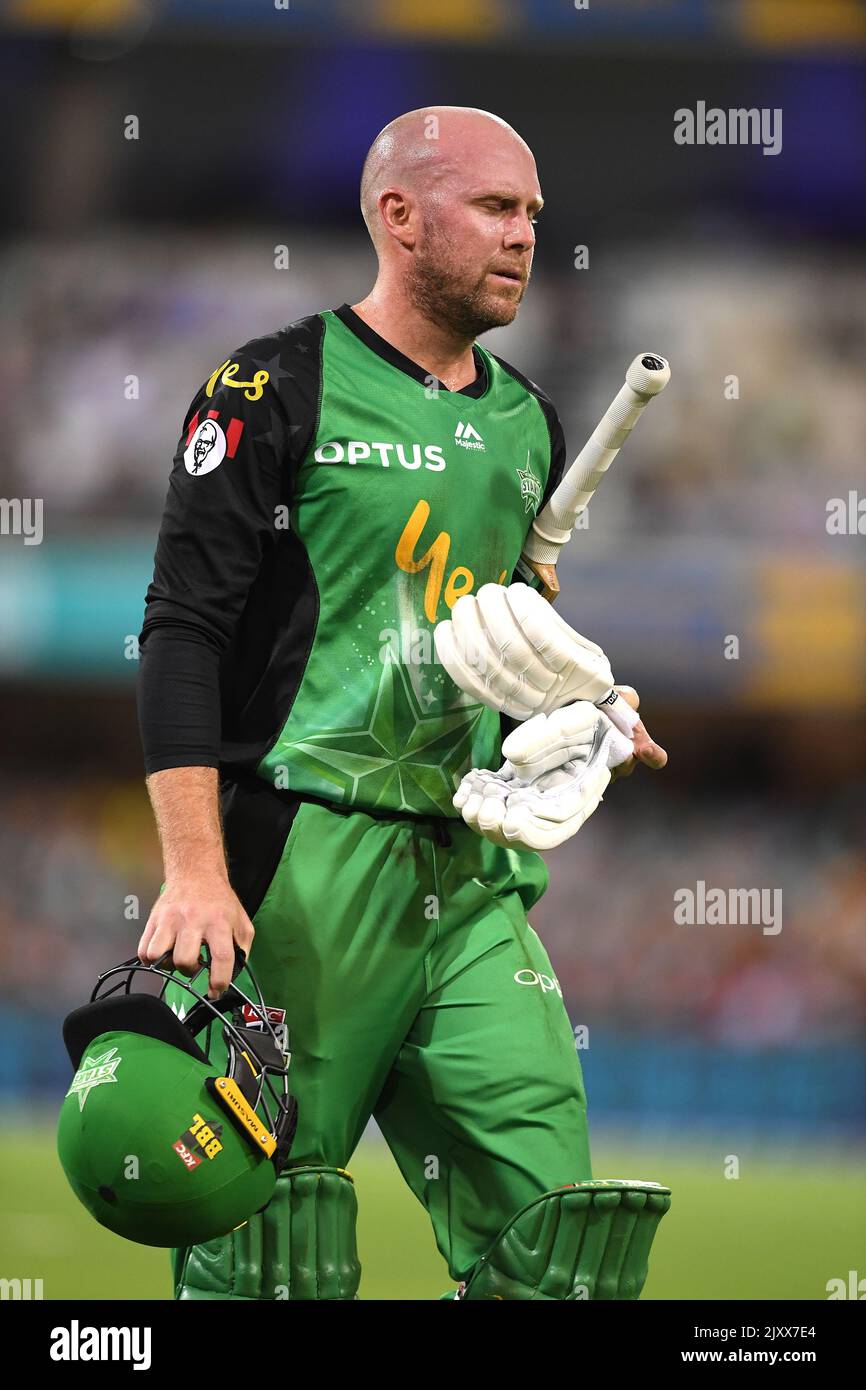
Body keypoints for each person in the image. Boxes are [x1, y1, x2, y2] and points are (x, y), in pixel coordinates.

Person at [137, 105, 669, 1301]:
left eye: (532, 212)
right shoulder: (268, 386)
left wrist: (584, 710)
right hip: (296, 873)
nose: (525, 235)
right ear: (397, 215)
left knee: (562, 1252)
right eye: (494, 207)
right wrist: (191, 870)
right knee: (273, 1256)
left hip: (468, 878)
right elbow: (179, 632)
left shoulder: (530, 421)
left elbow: (510, 634)